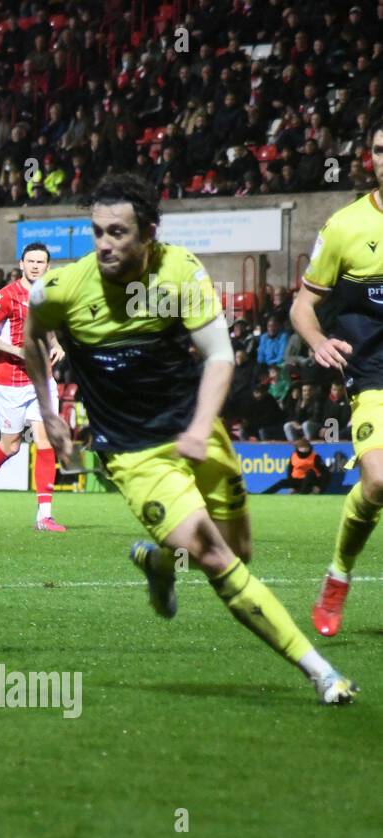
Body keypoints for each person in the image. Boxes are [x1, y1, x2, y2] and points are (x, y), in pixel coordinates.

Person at [24, 171, 356, 704]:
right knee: (215, 558)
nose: (105, 244)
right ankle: (321, 673)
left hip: (195, 431)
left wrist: (202, 429)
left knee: (239, 553)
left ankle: (159, 563)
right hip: (134, 453)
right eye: (97, 232)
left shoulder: (180, 270)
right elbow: (31, 339)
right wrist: (51, 411)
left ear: (148, 234)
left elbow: (221, 355)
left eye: (118, 233)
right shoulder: (61, 289)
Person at [293, 118, 383, 639]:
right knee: (377, 480)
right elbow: (304, 306)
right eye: (377, 149)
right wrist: (317, 340)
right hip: (371, 375)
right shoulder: (345, 227)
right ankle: (338, 575)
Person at [0, 243, 67, 532]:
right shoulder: (6, 296)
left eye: (40, 262)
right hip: (9, 382)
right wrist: (16, 351)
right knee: (10, 447)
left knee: (45, 440)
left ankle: (44, 516)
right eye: (30, 261)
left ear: (48, 267)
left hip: (41, 380)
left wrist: (56, 344)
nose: (35, 266)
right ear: (21, 264)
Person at [263, 438, 329, 495]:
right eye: (302, 447)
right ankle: (263, 494)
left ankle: (302, 493)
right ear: (297, 448)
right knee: (282, 482)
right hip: (297, 481)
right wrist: (291, 485)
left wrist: (319, 486)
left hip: (311, 482)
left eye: (306, 447)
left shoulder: (315, 457)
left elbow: (325, 473)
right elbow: (289, 469)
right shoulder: (294, 455)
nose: (304, 449)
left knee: (310, 472)